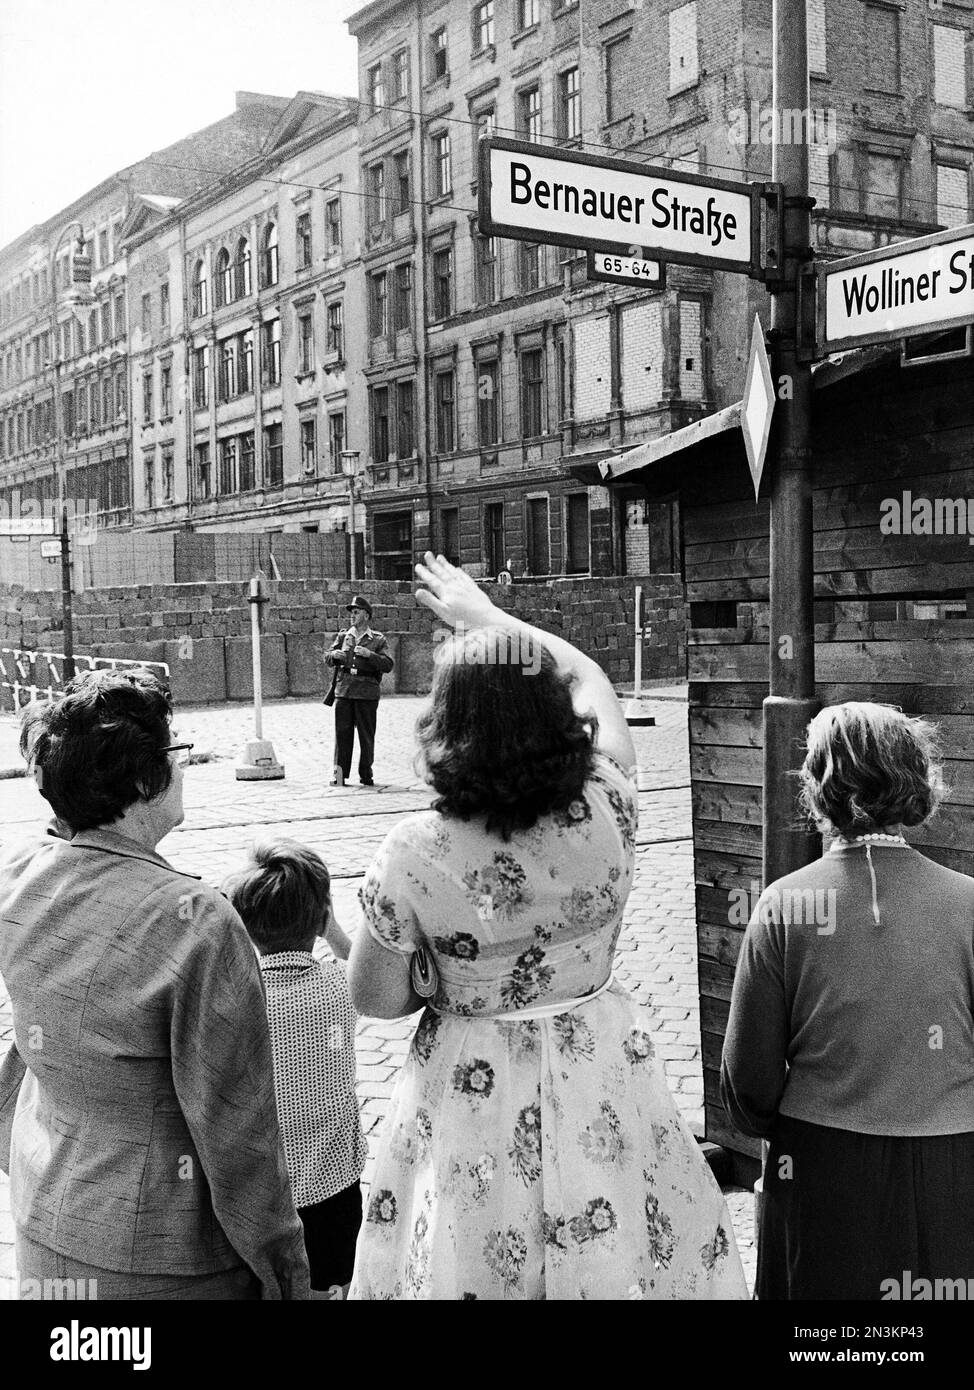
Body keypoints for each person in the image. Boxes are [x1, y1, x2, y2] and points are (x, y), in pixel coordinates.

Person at [346, 552, 747, 1300]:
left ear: (446, 723)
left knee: (476, 1255)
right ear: (557, 714)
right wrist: (489, 620)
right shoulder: (610, 796)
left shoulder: (413, 851)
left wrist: (440, 974)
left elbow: (374, 999)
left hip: (475, 1087)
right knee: (622, 1239)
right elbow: (592, 671)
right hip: (599, 1063)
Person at [0, 669, 310, 1300]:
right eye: (177, 754)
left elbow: (29, 1047)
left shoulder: (17, 874)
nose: (184, 766)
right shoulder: (197, 923)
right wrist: (288, 1275)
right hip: (166, 1262)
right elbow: (238, 1133)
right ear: (145, 780)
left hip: (46, 1222)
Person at [721, 701, 974, 1301]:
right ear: (917, 781)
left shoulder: (784, 905)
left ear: (817, 789)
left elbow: (747, 1080)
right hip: (955, 1170)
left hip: (821, 1166)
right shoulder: (970, 902)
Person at [224, 839, 368, 1300]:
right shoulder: (339, 985)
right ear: (322, 915)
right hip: (334, 1187)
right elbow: (361, 964)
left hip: (264, 1197)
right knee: (333, 1283)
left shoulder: (235, 1001)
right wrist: (334, 929)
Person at [326, 594, 394, 788]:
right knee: (342, 736)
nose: (352, 615)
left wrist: (369, 654)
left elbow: (388, 664)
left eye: (356, 612)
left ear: (366, 615)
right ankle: (339, 776)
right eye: (351, 612)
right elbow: (327, 657)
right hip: (344, 691)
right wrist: (334, 655)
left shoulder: (378, 640)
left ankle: (366, 774)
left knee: (366, 736)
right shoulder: (343, 636)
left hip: (367, 693)